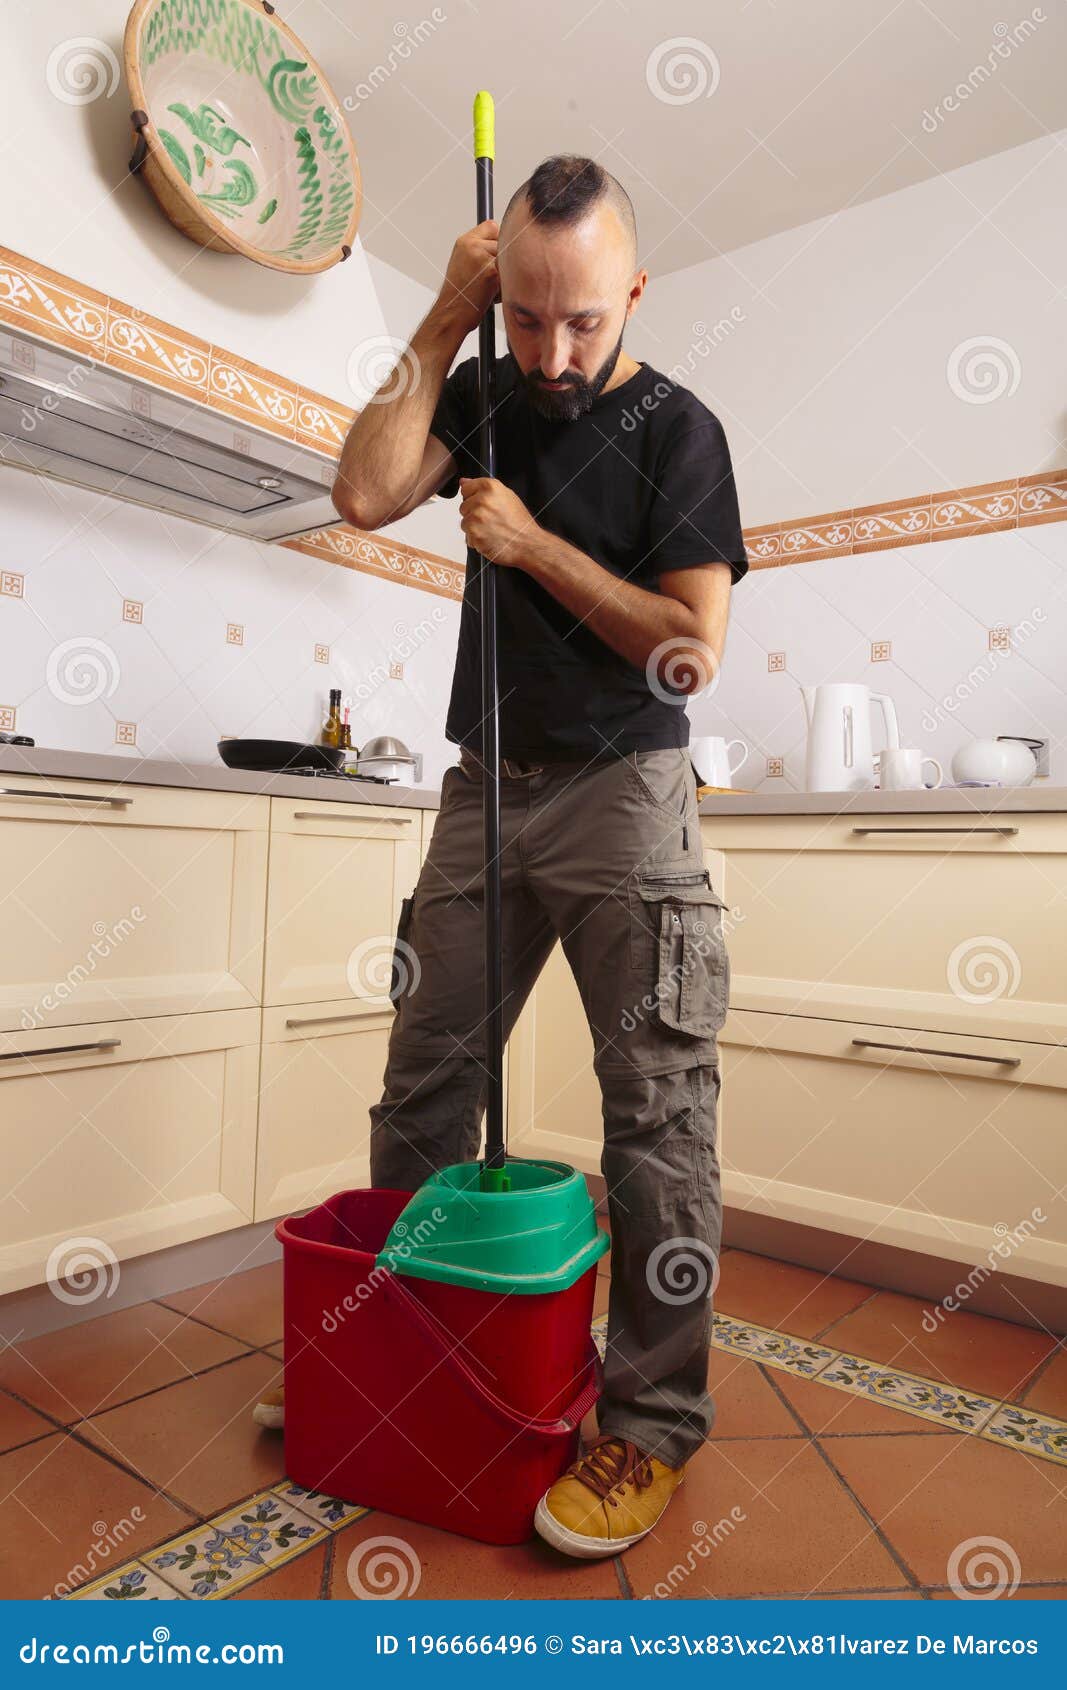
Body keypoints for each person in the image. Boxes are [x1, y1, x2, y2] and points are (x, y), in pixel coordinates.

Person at [255, 155, 748, 1559]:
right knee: (424, 1084)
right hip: (485, 785)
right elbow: (362, 494)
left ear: (632, 292)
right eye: (525, 318)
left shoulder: (680, 431)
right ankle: (405, 1354)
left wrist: (529, 548)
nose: (553, 353)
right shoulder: (479, 390)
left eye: (581, 320)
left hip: (625, 795)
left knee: (656, 1113)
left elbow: (689, 651)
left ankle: (650, 1421)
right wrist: (438, 315)